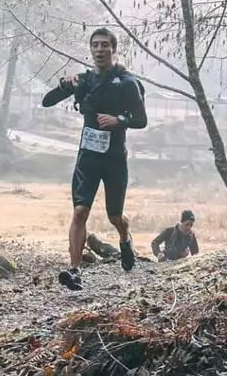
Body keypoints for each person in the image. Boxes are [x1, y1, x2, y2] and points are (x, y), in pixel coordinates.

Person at [41, 28, 147, 290]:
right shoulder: (84, 80)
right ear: (90, 50)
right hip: (88, 156)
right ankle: (75, 270)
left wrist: (118, 120)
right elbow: (47, 101)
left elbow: (141, 120)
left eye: (104, 45)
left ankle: (125, 238)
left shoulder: (127, 83)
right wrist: (64, 85)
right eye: (95, 45)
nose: (99, 50)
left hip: (114, 159)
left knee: (115, 217)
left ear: (113, 49)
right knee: (80, 211)